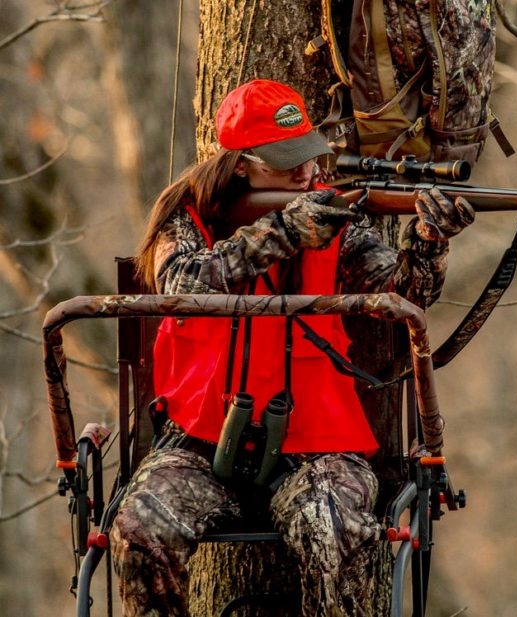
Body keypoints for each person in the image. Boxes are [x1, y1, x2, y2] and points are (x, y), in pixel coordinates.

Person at [110, 79, 475, 616]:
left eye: (307, 157)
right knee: (141, 526)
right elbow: (182, 284)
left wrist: (429, 241)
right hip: (198, 446)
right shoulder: (186, 220)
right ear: (241, 165)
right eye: (286, 165)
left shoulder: (333, 219)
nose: (305, 174)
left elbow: (404, 295)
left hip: (321, 447)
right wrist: (280, 232)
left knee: (336, 528)